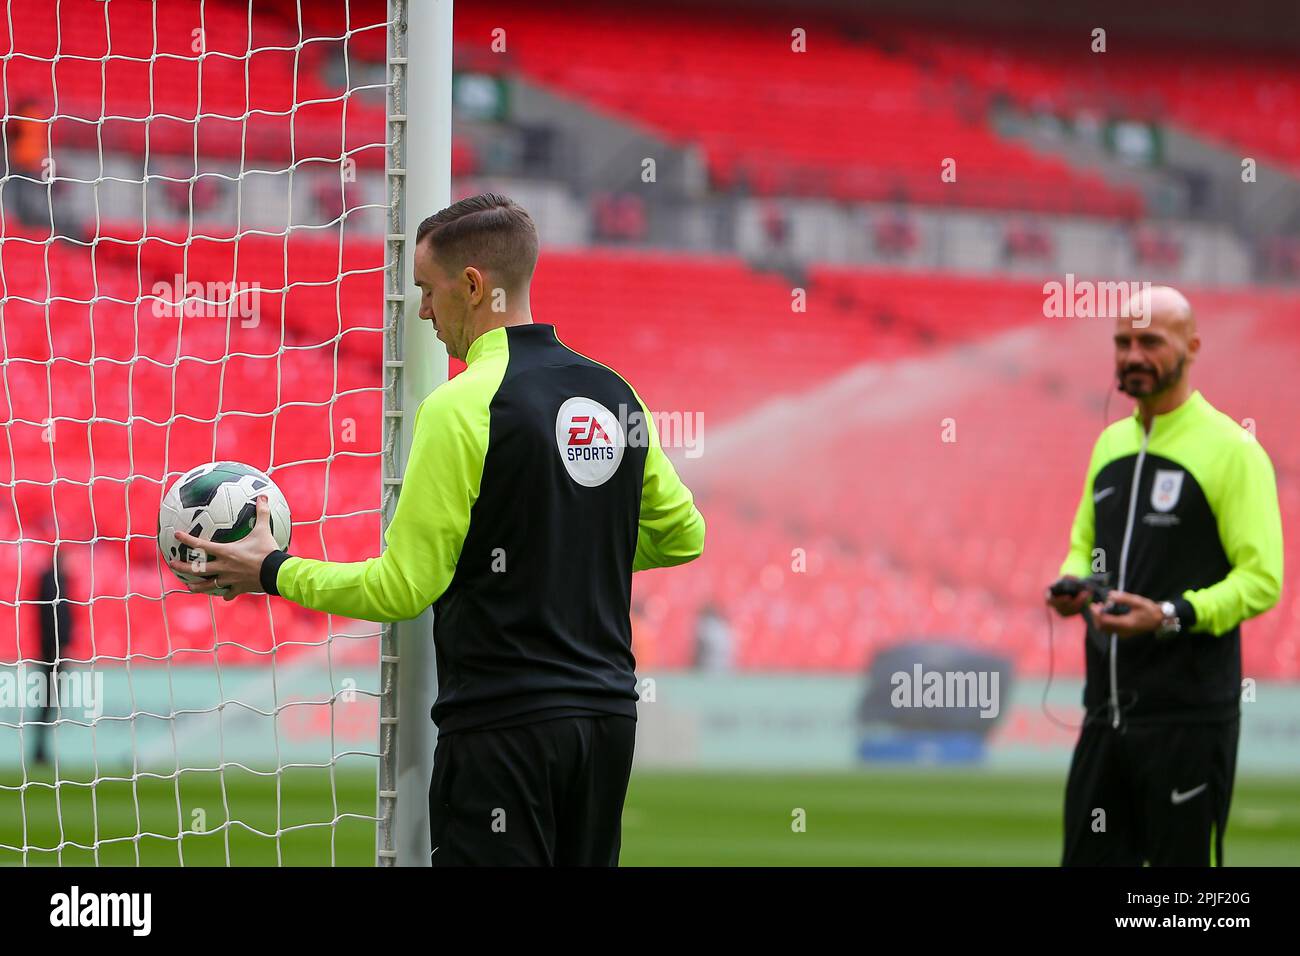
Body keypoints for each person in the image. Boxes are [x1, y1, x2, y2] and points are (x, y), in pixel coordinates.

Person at [167, 193, 706, 866]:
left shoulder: (460, 408)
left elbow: (401, 588)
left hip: (505, 727)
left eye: (427, 290)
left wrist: (271, 570)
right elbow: (683, 536)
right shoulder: (614, 392)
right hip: (607, 723)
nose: (422, 311)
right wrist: (560, 551)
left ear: (473, 286)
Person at [1048, 285, 1283, 866]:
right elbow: (1085, 548)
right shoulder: (1109, 444)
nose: (1133, 356)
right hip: (1104, 716)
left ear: (1191, 346)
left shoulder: (1232, 450)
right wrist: (1075, 585)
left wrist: (1170, 616)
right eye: (1123, 343)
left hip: (1187, 721)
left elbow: (1262, 579)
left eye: (1150, 342)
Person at [32, 546, 74, 765]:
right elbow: (54, 617)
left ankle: (40, 750)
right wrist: (60, 645)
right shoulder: (53, 581)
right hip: (52, 650)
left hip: (51, 648)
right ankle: (39, 751)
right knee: (47, 700)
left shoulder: (55, 579)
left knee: (48, 701)